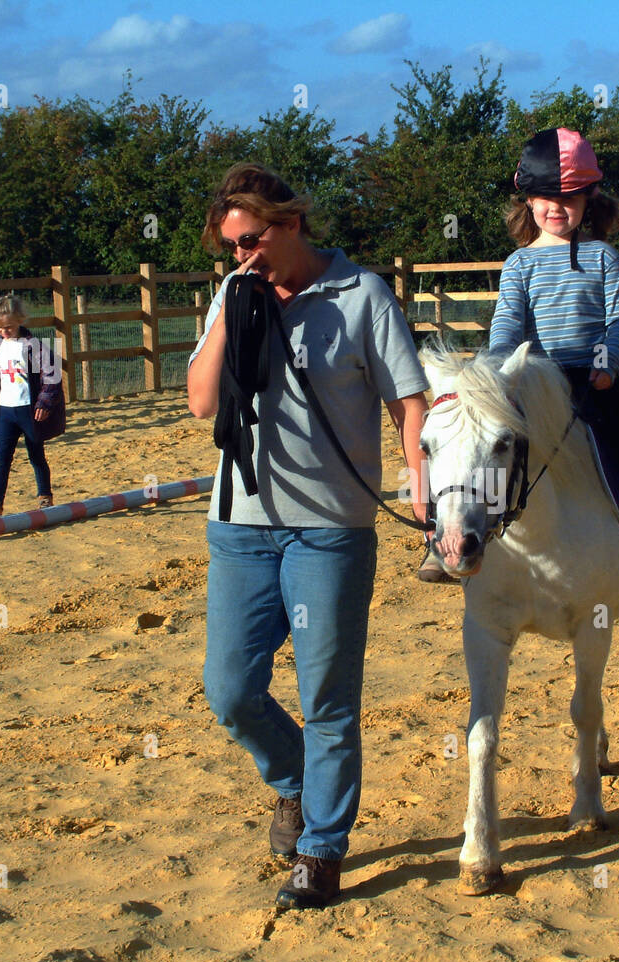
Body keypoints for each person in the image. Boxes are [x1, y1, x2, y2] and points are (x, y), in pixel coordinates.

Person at [187, 163, 429, 909]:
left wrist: (418, 480)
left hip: (330, 528)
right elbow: (201, 402)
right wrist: (233, 301)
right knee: (229, 689)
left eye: (252, 241)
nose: (243, 256)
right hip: (241, 524)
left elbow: (408, 400)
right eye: (230, 248)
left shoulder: (361, 295)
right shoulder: (237, 293)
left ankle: (322, 847)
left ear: (291, 224)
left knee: (327, 694)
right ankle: (292, 779)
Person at [468, 126, 619, 591]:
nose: (556, 207)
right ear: (527, 201)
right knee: (484, 443)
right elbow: (507, 326)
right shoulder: (519, 265)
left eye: (569, 197)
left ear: (590, 200)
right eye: (545, 196)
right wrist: (501, 372)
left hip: (599, 379)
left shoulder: (604, 258)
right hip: (537, 382)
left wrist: (609, 362)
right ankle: (457, 534)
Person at [0, 294, 65, 518]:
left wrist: (44, 402)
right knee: (2, 457)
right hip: (6, 409)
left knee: (36, 455)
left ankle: (45, 496)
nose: (4, 331)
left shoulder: (33, 346)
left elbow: (52, 374)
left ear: (20, 321)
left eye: (9, 327)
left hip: (28, 409)